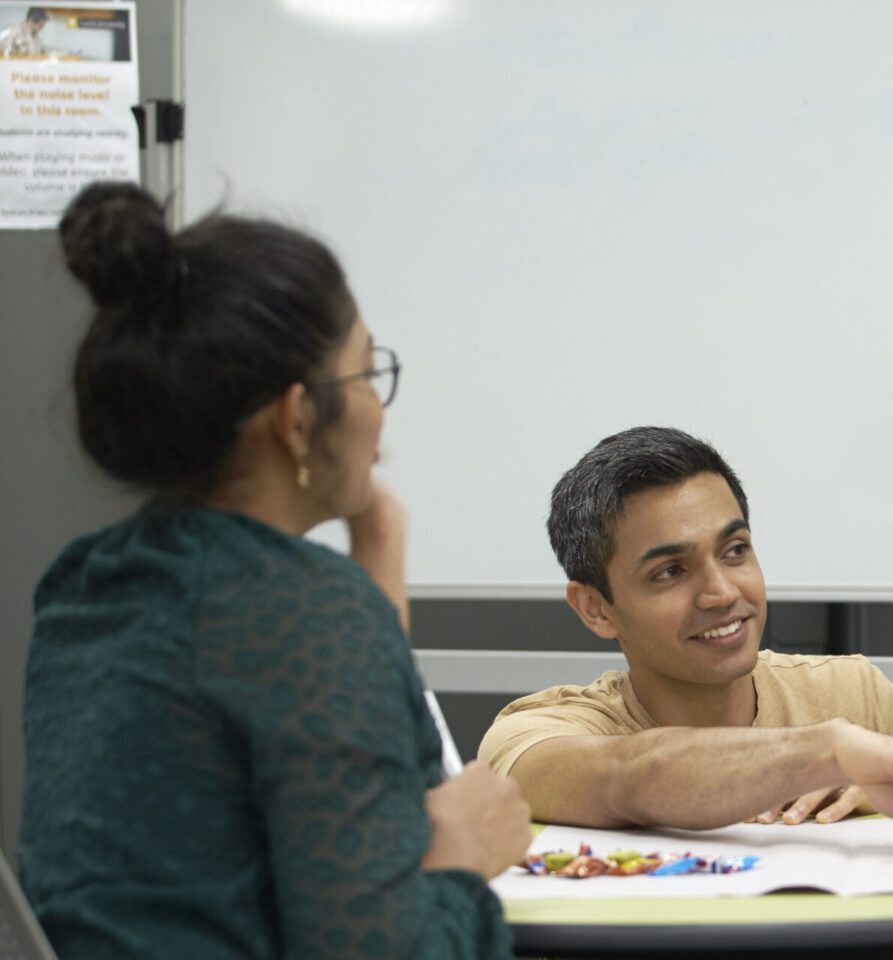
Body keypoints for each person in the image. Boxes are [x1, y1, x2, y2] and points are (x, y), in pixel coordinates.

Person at [18, 183, 530, 958]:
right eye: (366, 375)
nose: (379, 408)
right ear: (297, 420)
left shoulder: (87, 585)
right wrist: (465, 853)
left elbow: (330, 740)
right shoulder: (303, 611)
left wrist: (379, 545)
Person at [476, 426, 893, 847]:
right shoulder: (536, 734)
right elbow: (629, 776)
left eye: (735, 550)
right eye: (670, 571)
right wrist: (823, 753)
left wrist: (885, 810)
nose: (721, 592)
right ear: (596, 609)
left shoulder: (854, 694)